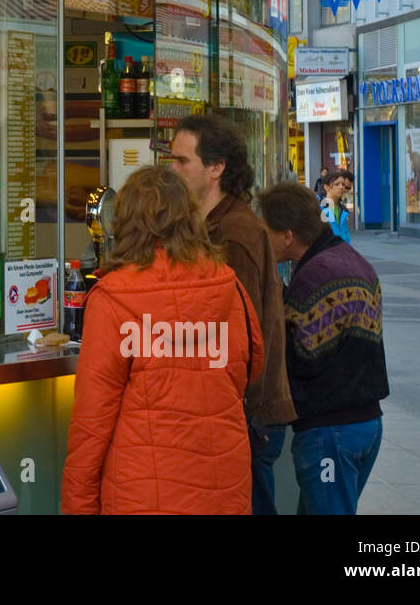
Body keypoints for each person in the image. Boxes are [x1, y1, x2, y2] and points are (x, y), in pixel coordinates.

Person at [61, 166, 262, 515]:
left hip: (142, 495)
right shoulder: (229, 287)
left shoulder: (115, 298)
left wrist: (77, 505)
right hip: (224, 489)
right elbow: (252, 367)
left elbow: (92, 422)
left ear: (124, 222)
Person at [169, 114, 296, 514]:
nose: (172, 170)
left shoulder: (234, 235)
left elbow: (236, 337)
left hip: (245, 415)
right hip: (241, 414)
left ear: (216, 168)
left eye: (181, 161)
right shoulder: (213, 226)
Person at [258, 182, 389, 515]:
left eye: (266, 232)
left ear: (287, 235)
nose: (263, 240)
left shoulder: (315, 276)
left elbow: (299, 357)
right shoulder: (351, 259)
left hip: (330, 431)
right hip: (365, 422)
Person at [321, 168, 353, 242]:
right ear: (326, 187)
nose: (341, 187)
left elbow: (346, 236)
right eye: (337, 184)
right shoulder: (318, 208)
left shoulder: (343, 210)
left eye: (343, 184)